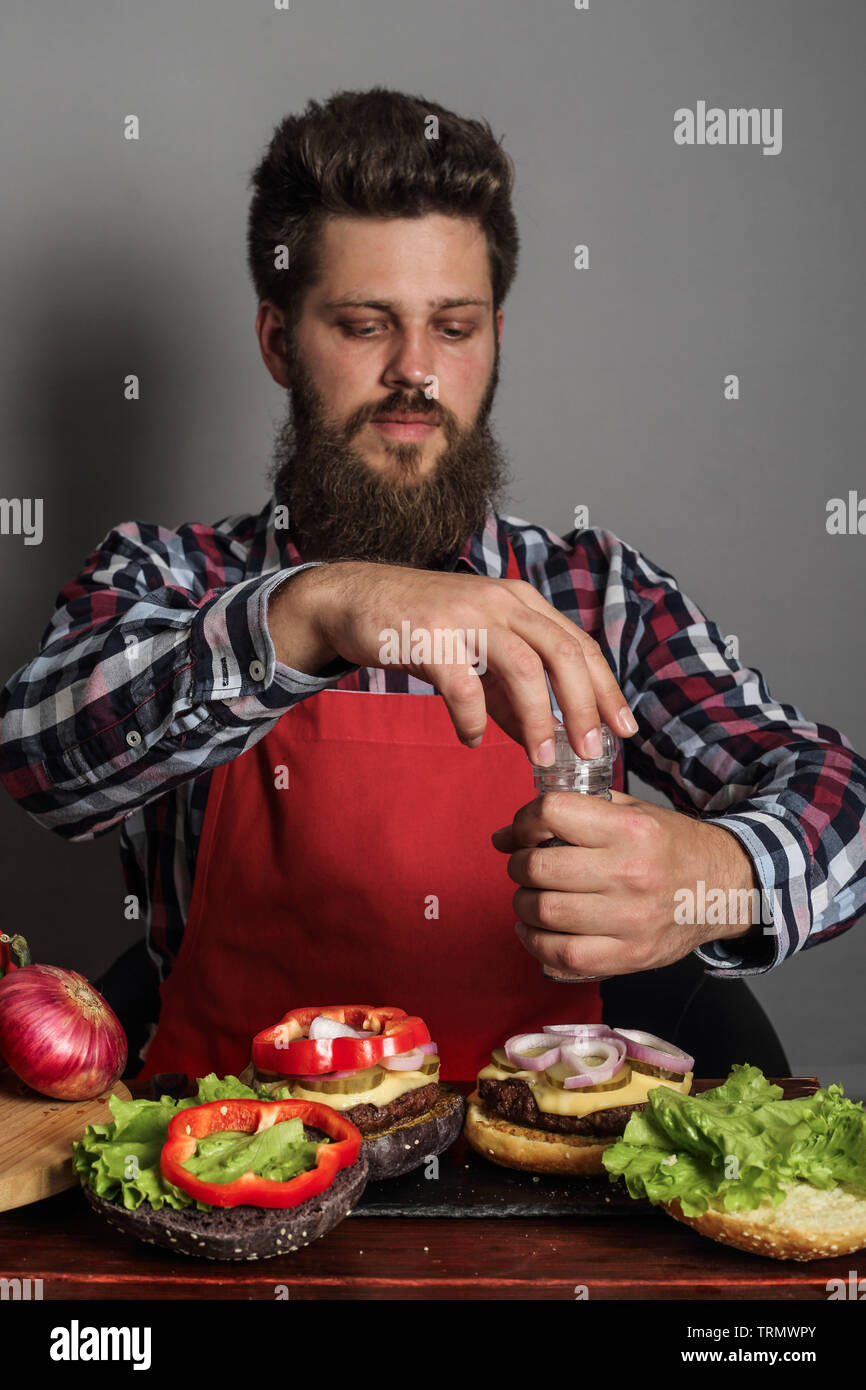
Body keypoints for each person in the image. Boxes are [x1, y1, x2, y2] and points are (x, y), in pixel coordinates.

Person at [1, 88, 864, 1083]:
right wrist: (318, 605)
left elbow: (839, 799)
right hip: (233, 1172)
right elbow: (39, 763)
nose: (415, 373)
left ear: (493, 339)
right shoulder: (167, 576)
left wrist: (724, 875)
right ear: (279, 339)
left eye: (452, 330)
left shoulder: (598, 595)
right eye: (365, 325)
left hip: (533, 1188)